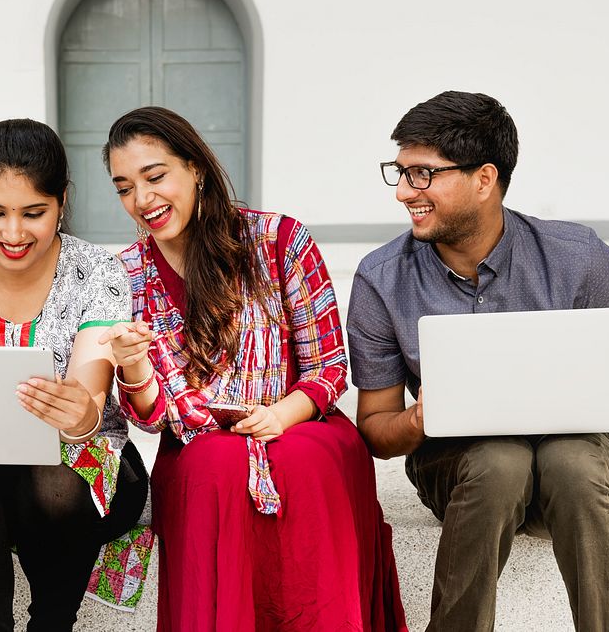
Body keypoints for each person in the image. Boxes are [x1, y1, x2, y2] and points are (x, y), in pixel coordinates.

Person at [98, 106, 406, 631]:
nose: (142, 200)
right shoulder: (125, 274)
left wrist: (281, 415)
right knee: (215, 468)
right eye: (124, 187)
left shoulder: (280, 240)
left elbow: (329, 367)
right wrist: (133, 370)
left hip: (300, 420)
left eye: (155, 177)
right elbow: (151, 419)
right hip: (199, 440)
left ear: (195, 167)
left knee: (311, 462)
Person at [347, 90, 609, 631]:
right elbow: (375, 428)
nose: (404, 193)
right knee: (499, 461)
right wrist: (420, 418)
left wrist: (570, 395)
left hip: (574, 455)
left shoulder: (579, 257)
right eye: (401, 171)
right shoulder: (381, 278)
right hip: (461, 467)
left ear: (485, 180)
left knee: (573, 465)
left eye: (423, 174)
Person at [0, 118, 149, 632]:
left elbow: (89, 404)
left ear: (62, 202)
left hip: (81, 477)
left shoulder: (97, 273)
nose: (13, 233)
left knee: (57, 477)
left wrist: (78, 411)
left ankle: (52, 623)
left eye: (34, 213)